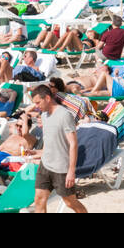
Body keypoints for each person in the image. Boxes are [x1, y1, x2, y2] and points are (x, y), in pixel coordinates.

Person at [31, 84, 85, 213]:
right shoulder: (44, 116)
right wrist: (37, 152)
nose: (36, 106)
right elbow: (51, 142)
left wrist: (71, 171)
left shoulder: (64, 115)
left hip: (61, 168)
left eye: (38, 102)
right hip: (45, 164)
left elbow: (73, 144)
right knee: (39, 199)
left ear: (48, 98)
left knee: (70, 202)